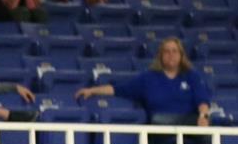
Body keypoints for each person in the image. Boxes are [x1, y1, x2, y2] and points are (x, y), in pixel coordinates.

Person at [77, 38, 211, 126]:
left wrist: (203, 116)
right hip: (160, 126)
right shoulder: (148, 78)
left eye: (175, 51)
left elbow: (202, 101)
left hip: (188, 125)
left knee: (204, 127)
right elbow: (118, 89)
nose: (171, 55)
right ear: (160, 56)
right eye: (167, 52)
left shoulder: (192, 76)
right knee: (159, 119)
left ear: (181, 56)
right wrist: (92, 90)